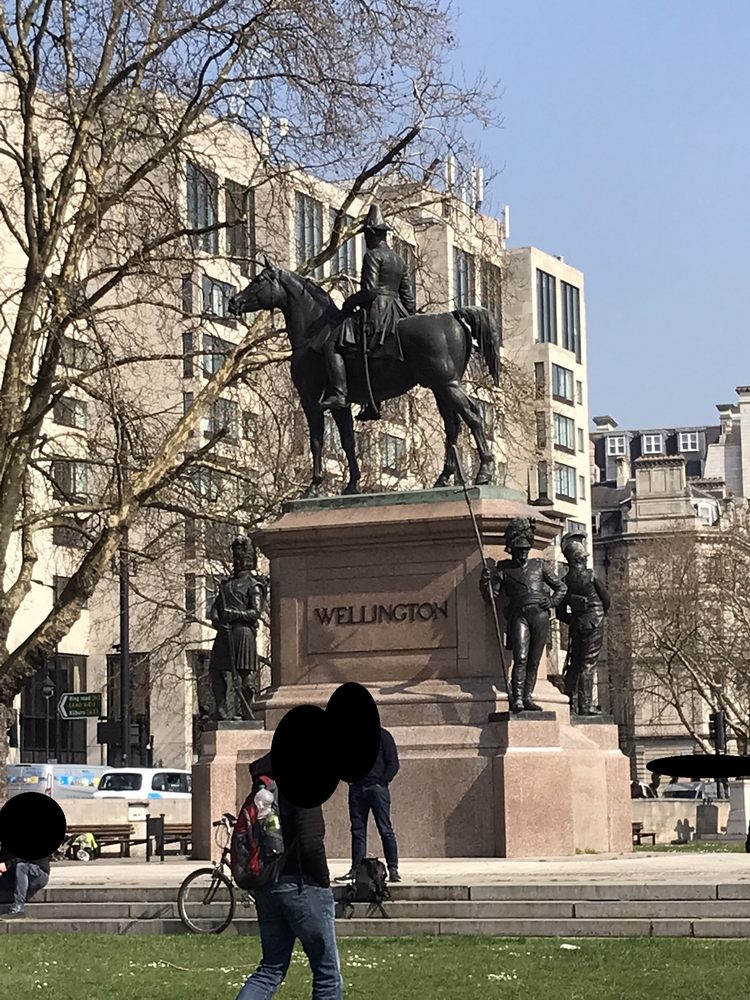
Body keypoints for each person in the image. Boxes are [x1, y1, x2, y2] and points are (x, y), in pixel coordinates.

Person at [235, 753, 342, 1000]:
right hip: (303, 885)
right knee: (327, 973)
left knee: (270, 969)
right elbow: (311, 841)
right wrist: (323, 881)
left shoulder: (263, 784)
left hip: (268, 885)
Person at [319, 203, 416, 419]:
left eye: (366, 235)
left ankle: (339, 393)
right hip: (397, 312)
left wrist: (349, 303)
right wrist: (408, 318)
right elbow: (408, 297)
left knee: (332, 342)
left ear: (371, 234)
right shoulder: (399, 259)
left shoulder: (372, 255)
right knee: (373, 352)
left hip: (377, 311)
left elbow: (370, 291)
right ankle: (372, 402)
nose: (366, 239)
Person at [480, 517, 567, 712]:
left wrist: (552, 601)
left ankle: (528, 696)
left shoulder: (541, 565)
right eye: (519, 550)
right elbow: (491, 598)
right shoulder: (503, 568)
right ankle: (517, 698)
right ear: (511, 549)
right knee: (521, 657)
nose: (522, 554)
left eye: (525, 550)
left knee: (534, 660)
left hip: (540, 614)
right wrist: (485, 583)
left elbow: (561, 586)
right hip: (519, 615)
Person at [208, 535, 267, 721]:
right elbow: (215, 609)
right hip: (225, 632)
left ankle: (246, 711)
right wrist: (218, 620)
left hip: (243, 633)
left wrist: (232, 614)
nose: (238, 562)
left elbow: (255, 613)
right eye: (236, 558)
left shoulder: (254, 585)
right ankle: (221, 709)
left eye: (242, 559)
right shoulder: (226, 585)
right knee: (216, 670)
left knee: (245, 675)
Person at [336, 726, 401, 884]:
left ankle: (393, 868)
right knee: (358, 831)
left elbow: (393, 763)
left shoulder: (383, 736)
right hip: (357, 788)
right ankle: (356, 869)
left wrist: (382, 780)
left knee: (385, 829)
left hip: (377, 787)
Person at [556, 531, 611, 716]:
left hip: (577, 625)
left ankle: (570, 702)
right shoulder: (591, 576)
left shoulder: (564, 581)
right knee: (588, 664)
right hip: (594, 621)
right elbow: (607, 599)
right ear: (579, 559)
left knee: (575, 663)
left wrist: (573, 620)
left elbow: (560, 612)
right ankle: (585, 705)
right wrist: (598, 614)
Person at [0, 845, 50, 919]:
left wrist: (7, 865)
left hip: (37, 875)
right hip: (15, 875)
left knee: (22, 867)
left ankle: (19, 907)